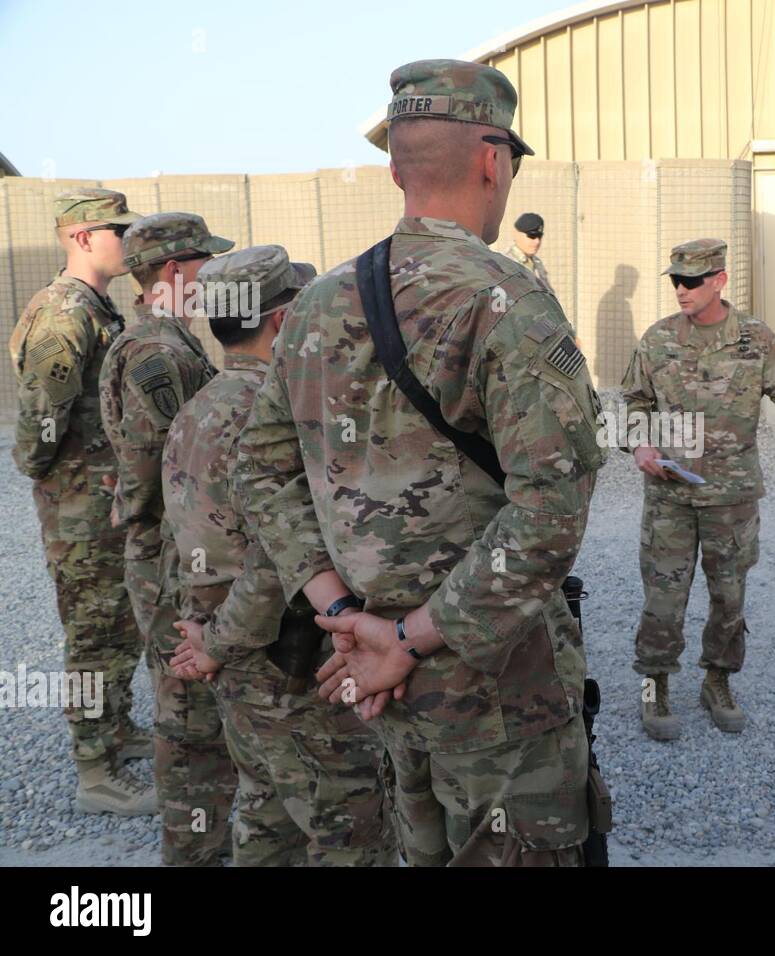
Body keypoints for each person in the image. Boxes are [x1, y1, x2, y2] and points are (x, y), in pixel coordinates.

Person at [234, 59, 605, 867]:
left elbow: (258, 469)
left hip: (370, 672)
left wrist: (341, 614)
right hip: (490, 682)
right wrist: (408, 635)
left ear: (397, 169)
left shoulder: (318, 303)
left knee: (418, 843)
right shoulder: (507, 301)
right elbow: (550, 509)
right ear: (491, 159)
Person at [161, 245, 395, 866]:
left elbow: (180, 542)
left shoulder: (195, 410)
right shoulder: (276, 413)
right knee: (350, 829)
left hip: (235, 666)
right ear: (281, 321)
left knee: (268, 813)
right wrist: (218, 642)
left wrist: (201, 633)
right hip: (286, 665)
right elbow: (276, 557)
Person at [621, 239, 775, 740]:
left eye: (691, 281)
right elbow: (632, 402)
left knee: (728, 598)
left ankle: (717, 681)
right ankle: (655, 686)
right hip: (670, 496)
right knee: (663, 599)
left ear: (719, 280)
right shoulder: (657, 341)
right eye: (675, 280)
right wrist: (639, 447)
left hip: (732, 497)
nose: (681, 289)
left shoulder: (755, 340)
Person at [99, 212, 238, 865]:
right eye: (204, 263)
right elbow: (164, 467)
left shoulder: (165, 342)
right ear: (176, 270)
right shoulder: (159, 352)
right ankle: (194, 849)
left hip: (173, 552)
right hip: (169, 558)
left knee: (194, 706)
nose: (211, 274)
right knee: (187, 718)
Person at [9, 189, 153, 814]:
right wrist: (53, 475)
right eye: (116, 230)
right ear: (83, 237)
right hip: (82, 508)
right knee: (95, 635)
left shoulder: (93, 306)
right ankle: (95, 771)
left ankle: (115, 732)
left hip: (102, 501)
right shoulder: (67, 313)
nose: (127, 241)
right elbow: (42, 418)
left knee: (117, 628)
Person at [505, 212, 554, 295]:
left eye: (539, 236)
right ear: (517, 235)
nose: (537, 242)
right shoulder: (506, 262)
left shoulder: (536, 262)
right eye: (532, 236)